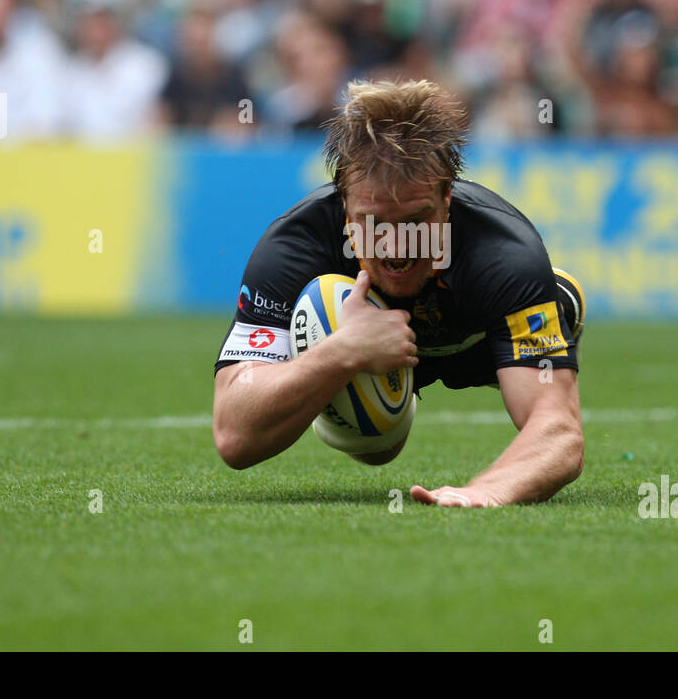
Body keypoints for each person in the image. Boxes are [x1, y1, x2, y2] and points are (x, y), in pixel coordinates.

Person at [211, 80, 586, 507]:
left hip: (475, 340)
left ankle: (550, 308)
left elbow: (559, 430)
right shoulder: (295, 247)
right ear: (345, 207)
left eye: (416, 219)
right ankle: (354, 380)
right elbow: (233, 435)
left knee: (554, 303)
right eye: (373, 222)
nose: (395, 247)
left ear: (448, 199)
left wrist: (488, 490)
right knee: (378, 447)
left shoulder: (504, 253)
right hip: (364, 344)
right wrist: (341, 351)